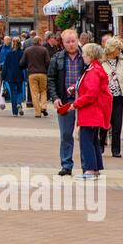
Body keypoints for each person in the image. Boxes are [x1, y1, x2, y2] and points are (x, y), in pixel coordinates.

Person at [56, 42, 110, 179]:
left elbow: (91, 94)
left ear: (91, 55)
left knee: (86, 141)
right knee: (93, 140)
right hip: (93, 111)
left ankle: (90, 170)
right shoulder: (94, 68)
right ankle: (95, 168)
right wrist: (75, 87)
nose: (83, 55)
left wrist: (75, 104)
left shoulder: (94, 71)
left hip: (91, 111)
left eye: (85, 53)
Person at [46, 29, 85, 176]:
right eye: (67, 42)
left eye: (73, 41)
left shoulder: (85, 57)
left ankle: (86, 165)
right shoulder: (57, 58)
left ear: (77, 41)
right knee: (66, 134)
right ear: (62, 43)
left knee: (85, 135)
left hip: (83, 100)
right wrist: (55, 97)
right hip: (65, 101)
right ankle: (67, 165)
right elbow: (50, 79)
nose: (71, 44)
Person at [99, 37, 123, 158]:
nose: (119, 51)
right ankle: (100, 146)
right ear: (111, 50)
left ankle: (116, 149)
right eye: (118, 49)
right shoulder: (101, 62)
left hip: (118, 96)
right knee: (103, 123)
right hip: (105, 97)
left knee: (117, 123)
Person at [23, 36, 51, 119]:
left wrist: (28, 65)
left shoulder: (27, 50)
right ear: (40, 41)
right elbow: (48, 62)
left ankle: (37, 112)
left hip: (32, 74)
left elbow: (22, 63)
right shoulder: (44, 50)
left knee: (34, 93)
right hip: (42, 73)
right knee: (43, 91)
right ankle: (44, 106)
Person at [2, 37, 26, 116]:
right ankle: (19, 103)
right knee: (20, 91)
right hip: (19, 74)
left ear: (12, 43)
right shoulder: (22, 53)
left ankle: (15, 112)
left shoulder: (9, 53)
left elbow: (5, 66)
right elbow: (24, 65)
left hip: (10, 75)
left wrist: (3, 76)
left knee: (13, 93)